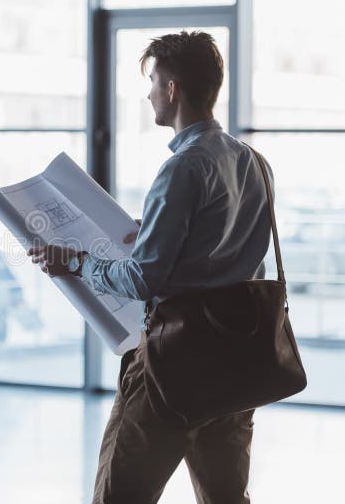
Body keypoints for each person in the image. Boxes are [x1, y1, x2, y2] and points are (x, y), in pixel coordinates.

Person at [28, 31, 273, 504]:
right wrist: (158, 229)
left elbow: (143, 279)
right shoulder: (254, 162)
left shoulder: (182, 168)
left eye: (154, 81)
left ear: (174, 89)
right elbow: (231, 249)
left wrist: (77, 261)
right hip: (237, 362)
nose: (149, 93)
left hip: (175, 367)